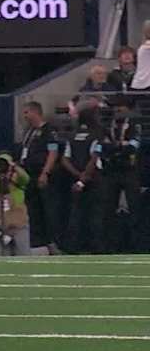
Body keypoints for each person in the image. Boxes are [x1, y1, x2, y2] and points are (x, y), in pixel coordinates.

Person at [99, 97, 142, 253]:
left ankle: (137, 247)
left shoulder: (134, 125)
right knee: (108, 209)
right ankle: (110, 246)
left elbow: (133, 146)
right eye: (115, 108)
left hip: (129, 172)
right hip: (112, 171)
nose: (117, 110)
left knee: (134, 209)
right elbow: (102, 147)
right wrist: (118, 148)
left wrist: (116, 148)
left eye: (120, 107)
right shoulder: (108, 125)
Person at [19, 101, 62, 255]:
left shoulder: (48, 130)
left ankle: (53, 241)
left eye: (26, 112)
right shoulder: (29, 132)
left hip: (42, 174)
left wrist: (45, 172)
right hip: (28, 175)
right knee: (33, 210)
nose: (24, 116)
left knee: (48, 210)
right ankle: (38, 243)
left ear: (35, 112)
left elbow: (53, 152)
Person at [62, 103, 103, 254]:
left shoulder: (72, 136)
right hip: (93, 181)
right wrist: (83, 179)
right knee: (95, 215)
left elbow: (65, 160)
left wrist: (77, 176)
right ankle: (95, 248)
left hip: (76, 180)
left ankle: (74, 247)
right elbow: (94, 159)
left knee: (76, 214)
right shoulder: (96, 135)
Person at [0, 153, 31, 256]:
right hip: (0, 224)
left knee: (24, 255)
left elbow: (26, 178)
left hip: (19, 223)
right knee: (4, 256)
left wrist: (14, 166)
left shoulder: (17, 178)